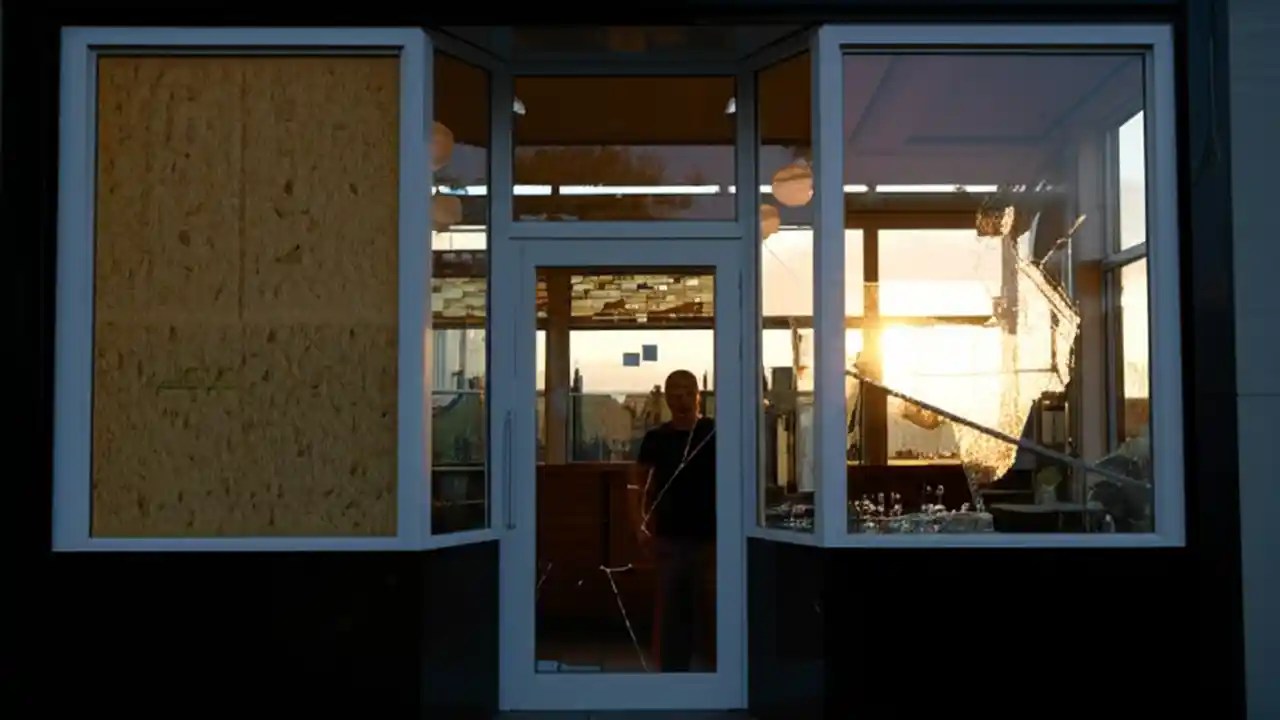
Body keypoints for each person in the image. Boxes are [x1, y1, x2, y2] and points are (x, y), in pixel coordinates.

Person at [630, 369, 716, 672]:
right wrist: (640, 527)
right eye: (674, 393)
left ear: (698, 395)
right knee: (671, 615)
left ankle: (717, 675)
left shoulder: (713, 433)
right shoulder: (656, 439)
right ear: (666, 397)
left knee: (710, 611)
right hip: (670, 537)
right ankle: (672, 676)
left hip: (712, 539)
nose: (680, 399)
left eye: (686, 392)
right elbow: (639, 486)